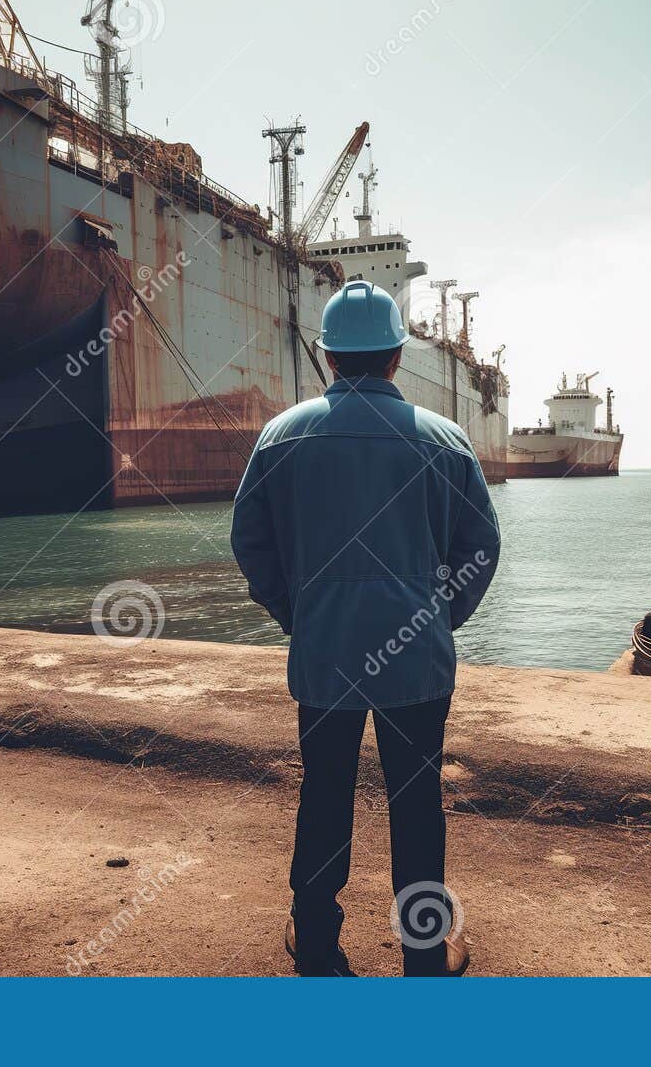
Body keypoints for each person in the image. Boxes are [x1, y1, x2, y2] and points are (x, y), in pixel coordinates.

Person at [231, 280, 501, 977]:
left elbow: (250, 543)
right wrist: (439, 616)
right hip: (419, 662)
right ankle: (424, 948)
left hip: (326, 655)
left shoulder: (280, 437)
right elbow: (481, 547)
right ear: (396, 357)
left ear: (326, 358)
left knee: (324, 792)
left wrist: (299, 613)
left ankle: (317, 940)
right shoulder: (446, 441)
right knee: (417, 802)